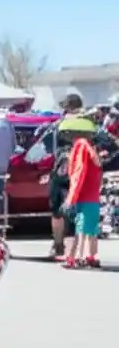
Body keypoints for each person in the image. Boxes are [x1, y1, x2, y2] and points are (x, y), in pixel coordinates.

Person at [45, 94, 117, 258]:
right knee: (80, 211)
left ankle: (59, 246)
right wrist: (100, 160)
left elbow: (44, 145)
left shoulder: (58, 124)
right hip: (83, 171)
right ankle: (78, 252)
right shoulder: (92, 125)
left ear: (68, 108)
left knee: (59, 210)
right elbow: (112, 144)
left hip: (63, 170)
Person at [62, 131, 104, 268]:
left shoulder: (86, 163)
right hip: (89, 199)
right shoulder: (93, 165)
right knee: (90, 230)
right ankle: (89, 256)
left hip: (85, 199)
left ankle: (80, 256)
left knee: (83, 230)